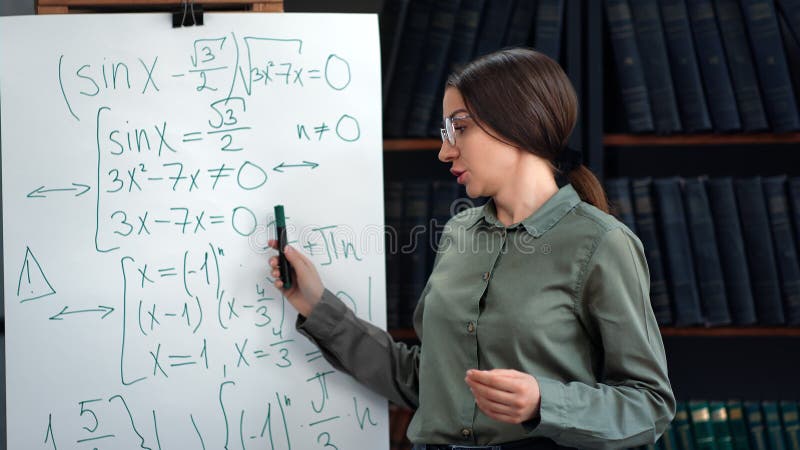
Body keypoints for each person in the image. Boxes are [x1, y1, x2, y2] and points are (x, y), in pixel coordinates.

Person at [268, 48, 675, 450]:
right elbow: (426, 381)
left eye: (459, 128)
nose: (445, 151)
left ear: (519, 123)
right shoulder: (460, 232)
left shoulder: (602, 243)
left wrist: (542, 402)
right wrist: (317, 305)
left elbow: (649, 407)